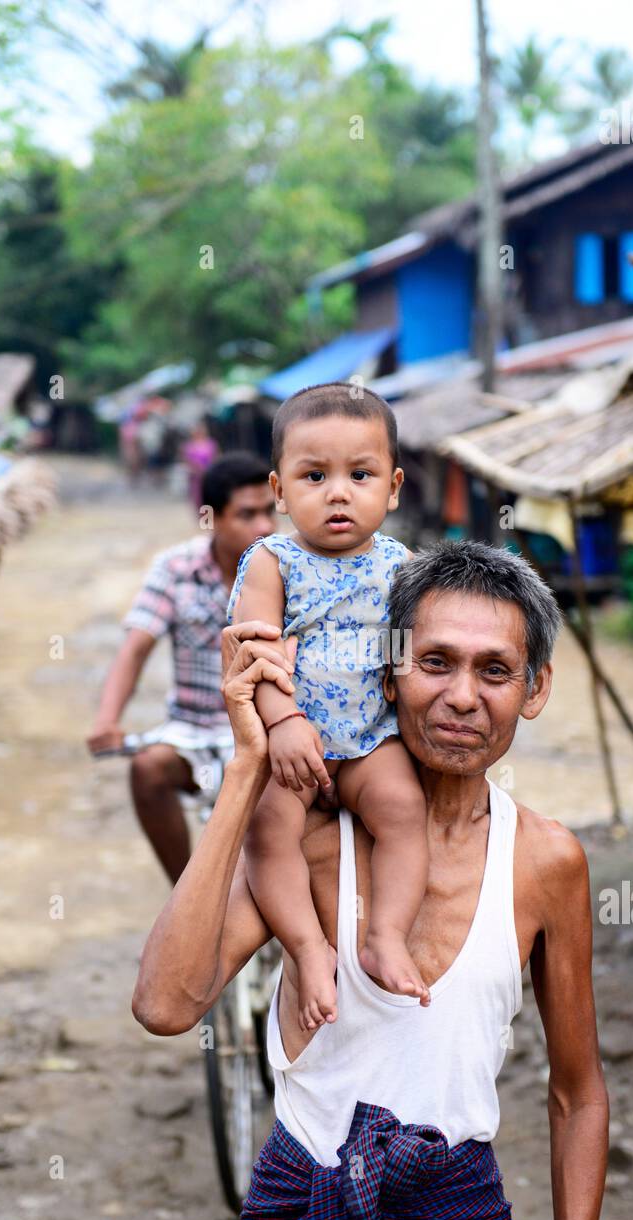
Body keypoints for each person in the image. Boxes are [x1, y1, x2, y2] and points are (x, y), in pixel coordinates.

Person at [132, 539, 610, 1220]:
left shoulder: (545, 862)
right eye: (434, 663)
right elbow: (164, 1005)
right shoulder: (317, 840)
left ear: (535, 686)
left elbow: (576, 1095)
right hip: (302, 1207)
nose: (461, 696)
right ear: (388, 671)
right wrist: (247, 767)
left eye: (493, 670)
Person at [226, 384, 430, 1031]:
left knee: (403, 811)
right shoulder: (271, 561)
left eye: (359, 475)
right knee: (266, 831)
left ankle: (386, 937)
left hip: (371, 741)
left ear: (392, 487)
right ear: (279, 491)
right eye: (314, 476)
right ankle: (309, 948)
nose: (337, 493)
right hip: (296, 748)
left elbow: (417, 656)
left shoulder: (401, 566)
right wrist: (282, 722)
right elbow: (254, 654)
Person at [87, 452, 275, 883]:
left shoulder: (292, 567)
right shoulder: (174, 567)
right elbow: (135, 648)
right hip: (193, 728)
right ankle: (187, 896)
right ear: (210, 517)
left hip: (272, 730)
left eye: (268, 511)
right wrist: (106, 719)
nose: (263, 526)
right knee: (148, 769)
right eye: (246, 514)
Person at [181, 418, 219, 515]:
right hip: (196, 477)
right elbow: (187, 461)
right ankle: (204, 520)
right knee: (198, 499)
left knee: (209, 497)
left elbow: (216, 457)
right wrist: (196, 469)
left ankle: (208, 519)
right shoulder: (189, 446)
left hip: (209, 474)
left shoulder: (211, 444)